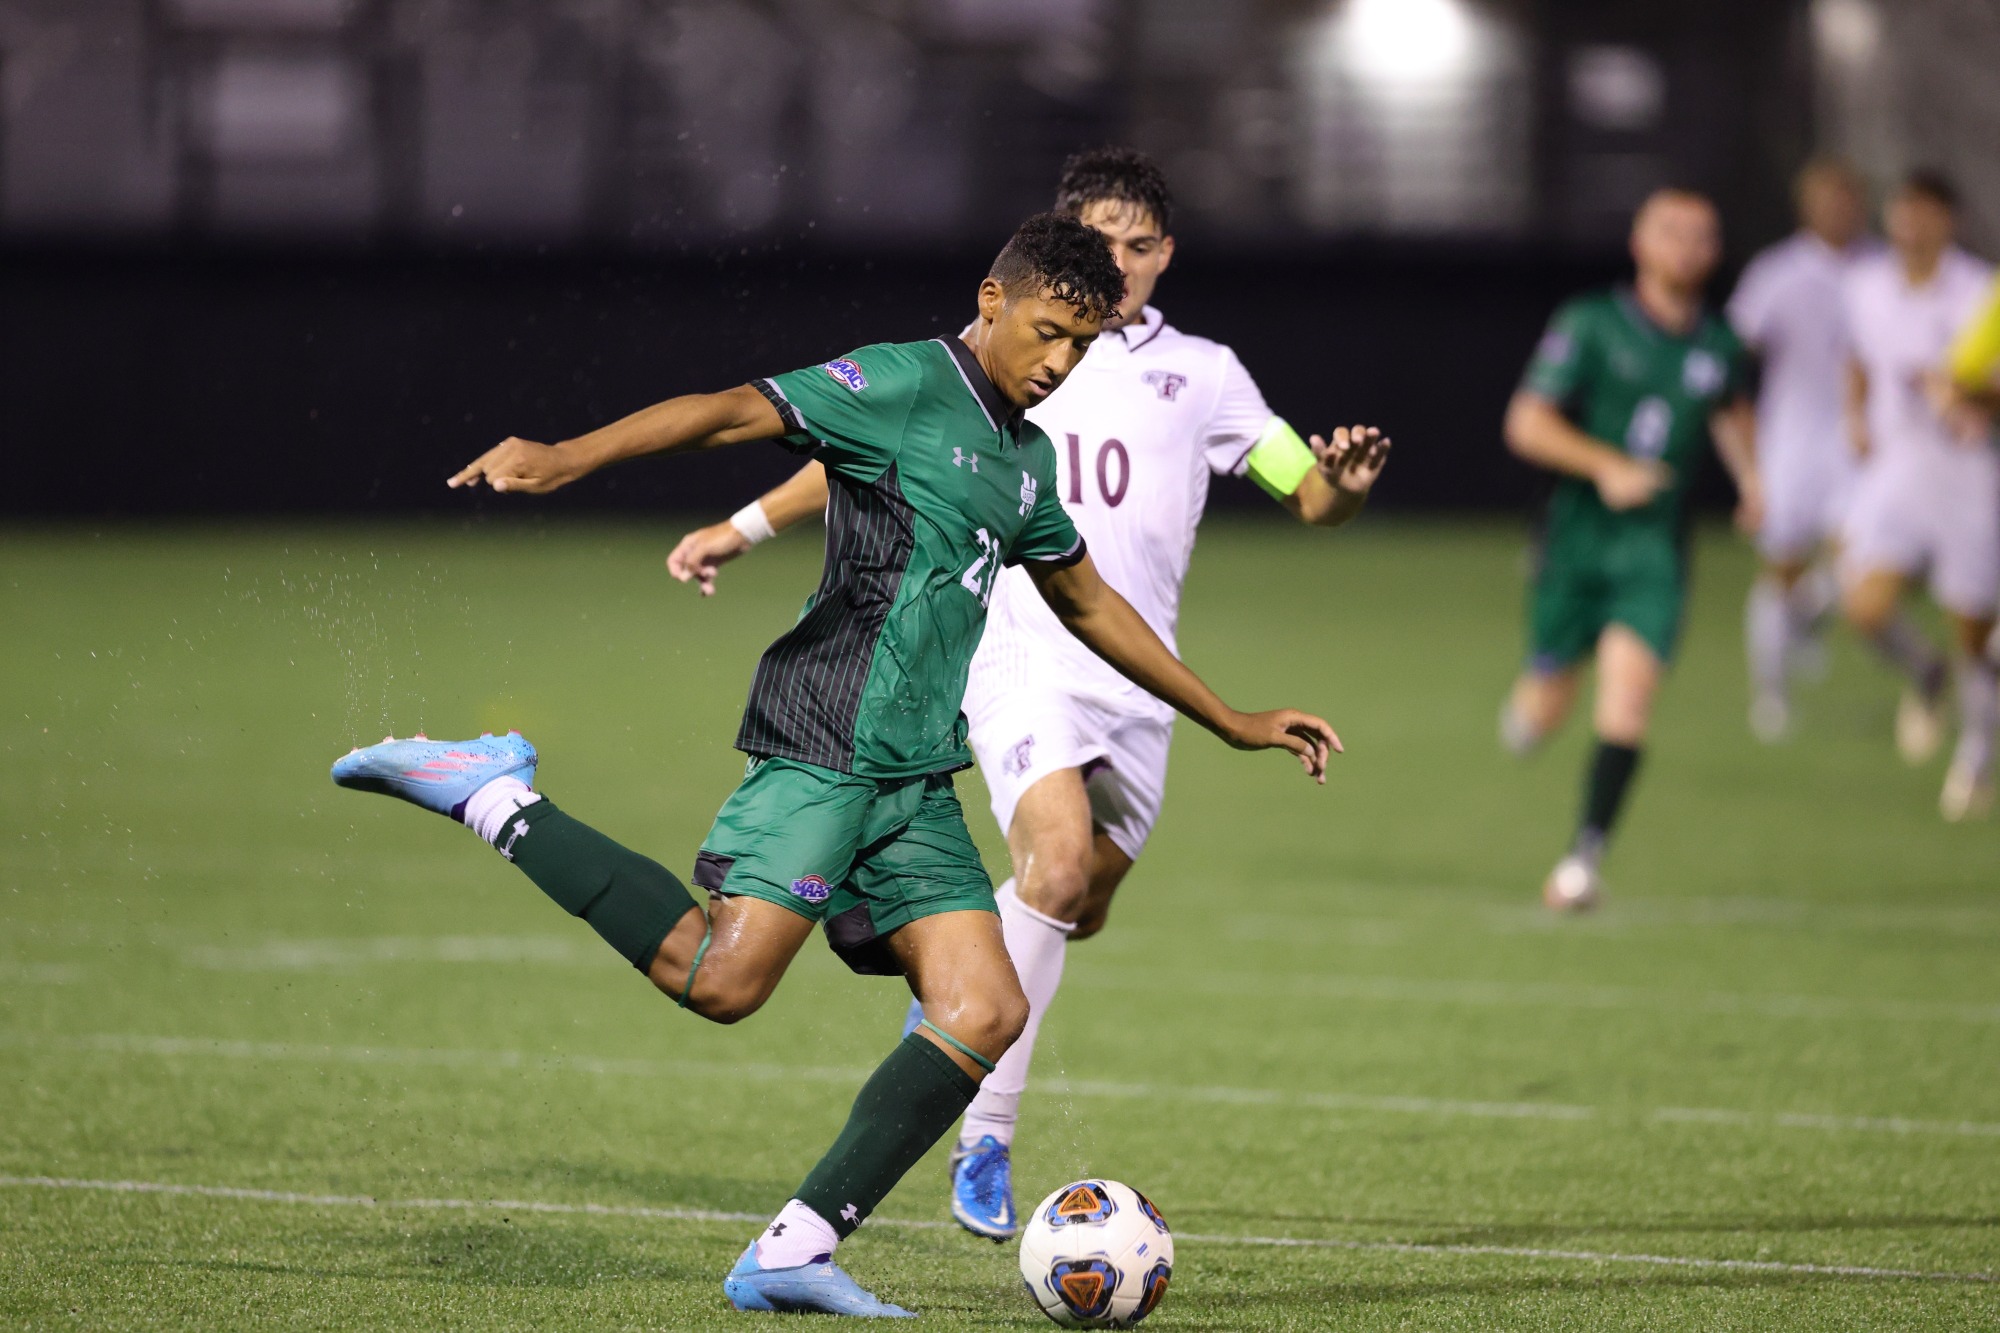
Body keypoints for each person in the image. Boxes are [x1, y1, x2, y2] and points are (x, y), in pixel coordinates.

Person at [325, 213, 1341, 1318]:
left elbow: (1090, 599)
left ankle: (792, 1249)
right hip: (830, 734)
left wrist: (1231, 718)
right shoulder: (902, 380)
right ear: (991, 298)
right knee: (720, 980)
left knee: (985, 1006)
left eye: (1081, 347)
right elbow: (731, 411)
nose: (1056, 363)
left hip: (912, 772)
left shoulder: (1023, 456)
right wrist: (567, 456)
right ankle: (492, 792)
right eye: (1046, 331)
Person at [665, 146, 1392, 1240]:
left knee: (1077, 901)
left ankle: (966, 968)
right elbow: (864, 450)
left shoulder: (1203, 373)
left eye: (1140, 245)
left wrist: (1336, 487)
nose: (1120, 261)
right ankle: (985, 1130)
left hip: (1137, 683)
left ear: (1166, 255)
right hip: (1018, 653)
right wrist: (744, 524)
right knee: (1049, 864)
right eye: (1101, 239)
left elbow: (1302, 493)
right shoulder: (1023, 343)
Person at [1498, 188, 1761, 909]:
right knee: (1544, 710)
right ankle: (1536, 700)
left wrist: (1752, 479)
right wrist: (1605, 466)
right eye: (1672, 231)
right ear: (1640, 244)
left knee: (1630, 693)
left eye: (1703, 235)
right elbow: (1526, 424)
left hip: (1654, 551)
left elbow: (1733, 411)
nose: (1688, 245)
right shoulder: (1590, 323)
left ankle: (1583, 858)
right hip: (1578, 540)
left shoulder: (1719, 342)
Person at [1839, 170, 1996, 821]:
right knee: (1864, 604)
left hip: (1967, 472)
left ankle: (1978, 752)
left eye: (1925, 212)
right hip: (1898, 465)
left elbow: (1982, 387)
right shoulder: (1866, 285)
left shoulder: (1980, 290)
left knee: (1974, 633)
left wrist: (1962, 394)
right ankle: (1922, 672)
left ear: (1947, 220)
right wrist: (1854, 415)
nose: (1911, 224)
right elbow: (1857, 356)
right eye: (1903, 210)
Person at [1728, 161, 1877, 741]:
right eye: (1828, 201)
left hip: (1861, 444)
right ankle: (1770, 696)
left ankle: (1811, 617)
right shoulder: (1776, 272)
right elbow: (1735, 349)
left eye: (1849, 200)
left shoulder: (1880, 268)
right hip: (1790, 438)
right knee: (1781, 569)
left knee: (1863, 564)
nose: (1841, 211)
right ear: (1807, 207)